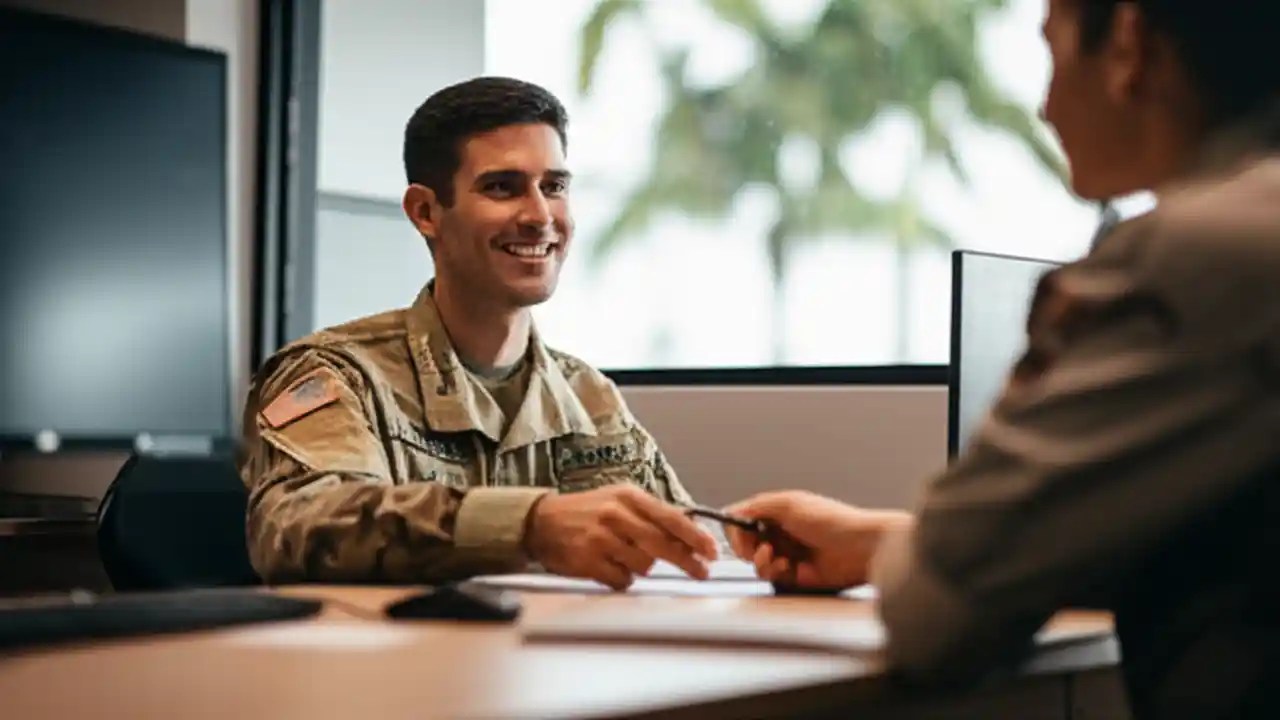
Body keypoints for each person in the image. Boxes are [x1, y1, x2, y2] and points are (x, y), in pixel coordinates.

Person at [727, 1, 1280, 717]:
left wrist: (930, 558)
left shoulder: (1193, 257)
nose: (1046, 107)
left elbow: (936, 622)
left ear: (1130, 44)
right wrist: (878, 542)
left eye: (1051, 53)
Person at [240, 77, 717, 589]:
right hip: (399, 664)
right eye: (501, 188)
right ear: (426, 212)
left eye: (553, 187)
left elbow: (686, 552)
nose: (539, 216)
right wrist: (527, 526)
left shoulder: (589, 397)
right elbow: (301, 525)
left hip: (558, 661)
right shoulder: (338, 376)